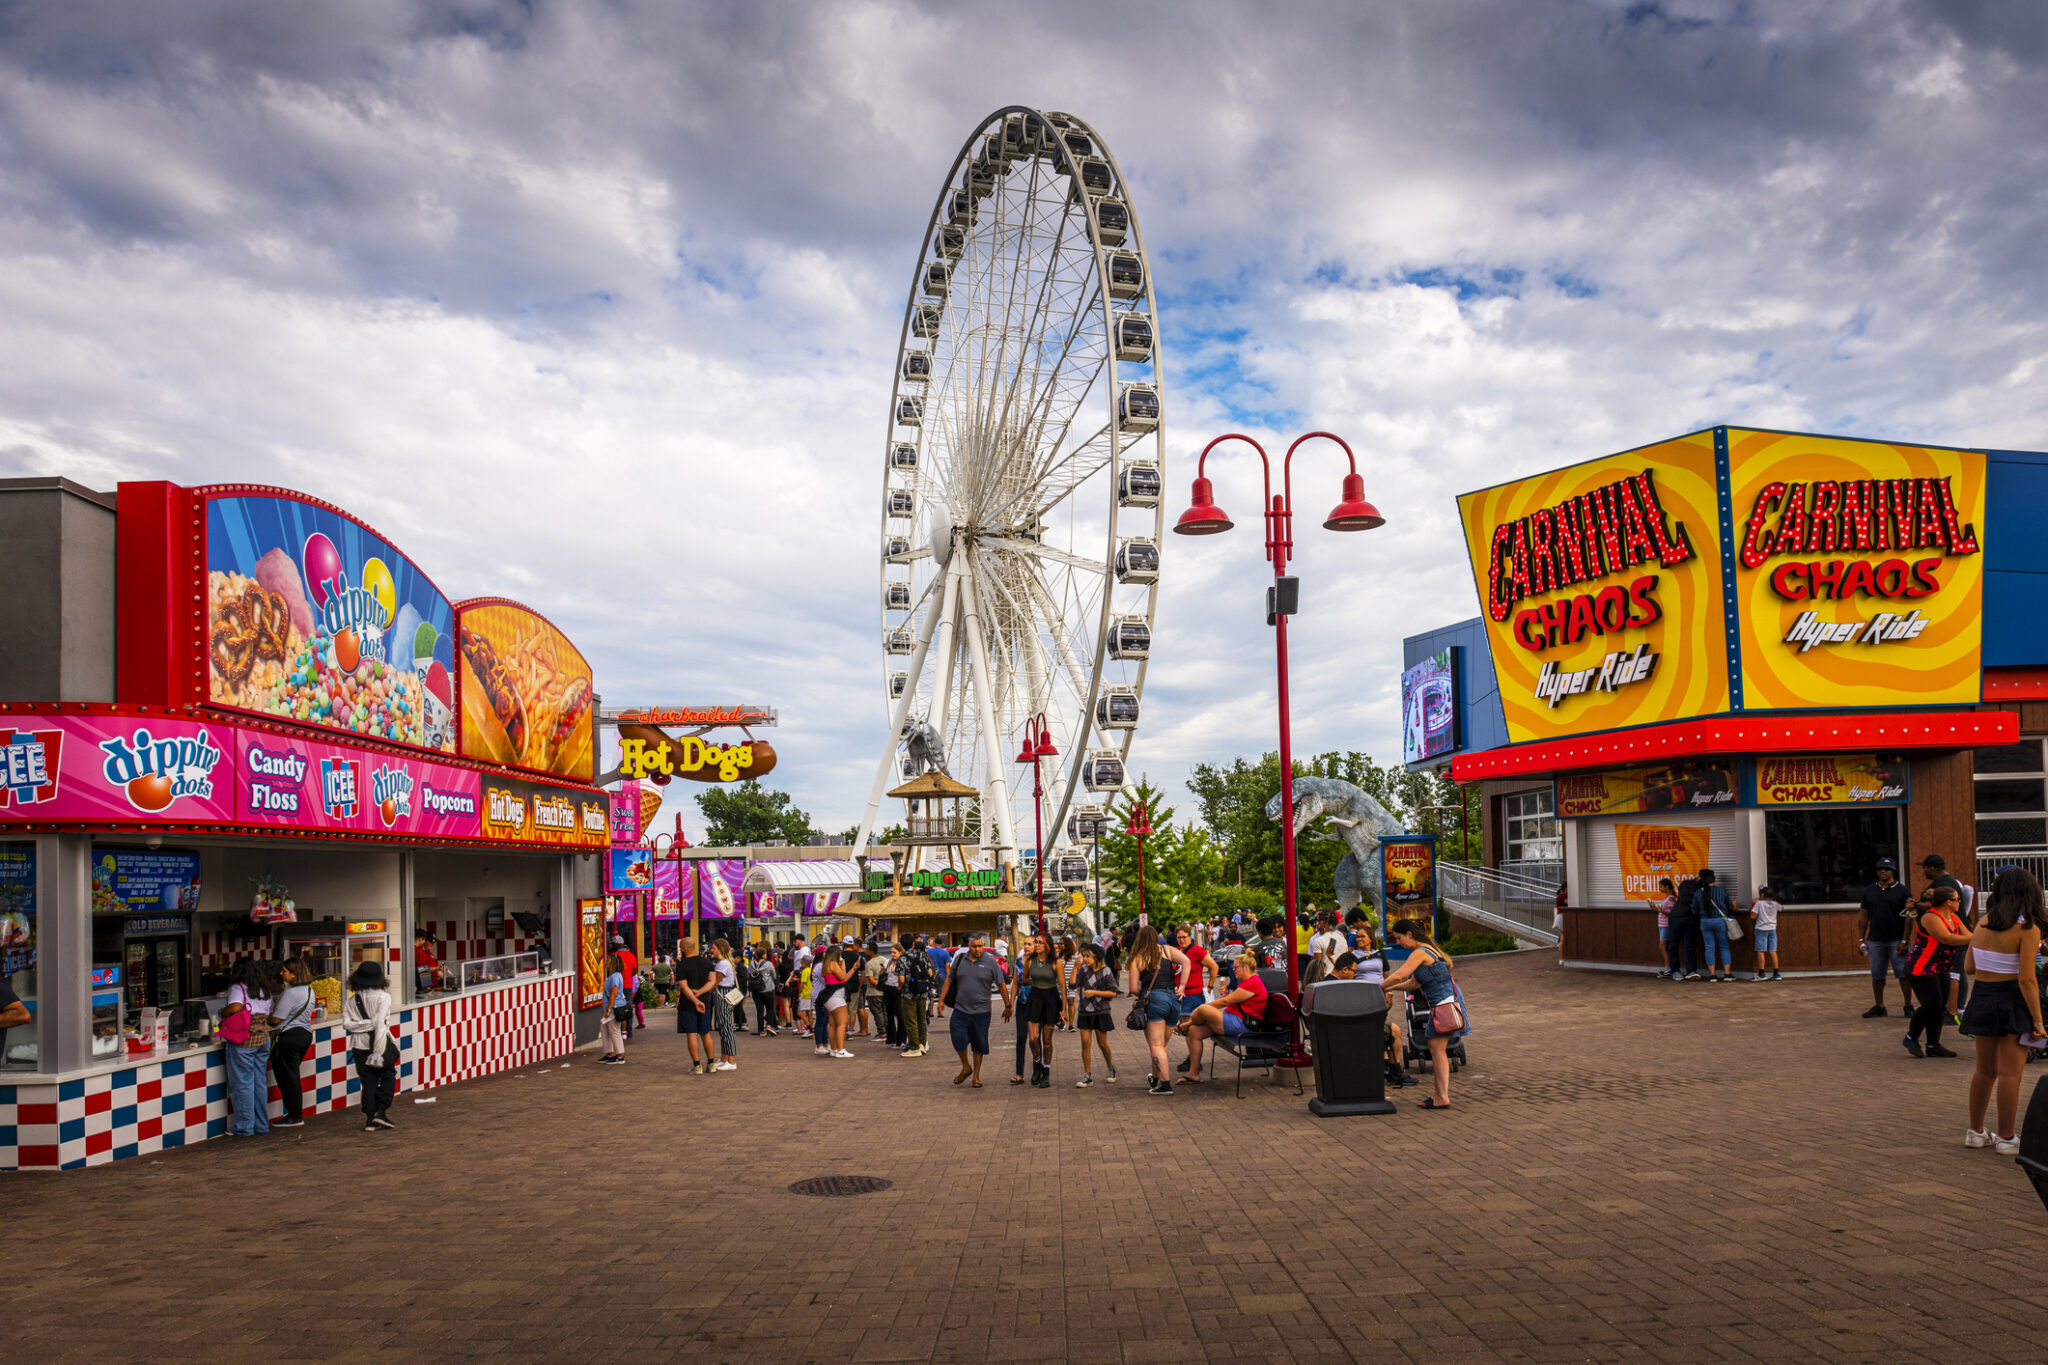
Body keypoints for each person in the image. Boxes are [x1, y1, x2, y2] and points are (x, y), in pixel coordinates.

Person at [1959, 866, 2046, 1155]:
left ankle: (1976, 1131)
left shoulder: (1983, 923)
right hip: (2012, 999)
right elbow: (2027, 979)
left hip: (1982, 996)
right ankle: (2007, 1138)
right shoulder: (2028, 928)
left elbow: (1969, 967)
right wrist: (2038, 1020)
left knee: (1984, 1070)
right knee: (2011, 1073)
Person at [1381, 918, 1466, 1109]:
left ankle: (1441, 1096)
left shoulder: (1420, 952)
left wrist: (1379, 986)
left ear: (1409, 934)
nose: (1398, 942)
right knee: (1437, 1050)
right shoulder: (1428, 949)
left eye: (1399, 937)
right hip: (1445, 1003)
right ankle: (1439, 1094)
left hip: (1442, 1004)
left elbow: (1400, 975)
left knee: (1438, 1051)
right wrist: (1388, 988)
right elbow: (1414, 983)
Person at [1181, 951, 1272, 1083]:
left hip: (1243, 1025)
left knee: (1203, 1009)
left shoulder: (1253, 983)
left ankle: (1186, 1024)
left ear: (1245, 968)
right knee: (1195, 1032)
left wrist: (1195, 1015)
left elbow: (1224, 1002)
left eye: (1236, 967)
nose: (1233, 970)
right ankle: (1193, 1073)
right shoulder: (1246, 982)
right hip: (1234, 1020)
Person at [1904, 886, 1971, 1058]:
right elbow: (1946, 938)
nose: (1959, 902)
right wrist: (1975, 938)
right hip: (1921, 967)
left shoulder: (1953, 917)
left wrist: (1975, 937)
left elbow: (1967, 935)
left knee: (1940, 1006)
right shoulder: (1931, 917)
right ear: (1948, 902)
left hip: (1941, 967)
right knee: (1932, 1003)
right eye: (1957, 899)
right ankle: (1911, 1037)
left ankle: (1933, 1044)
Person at [1125, 925, 1188, 1095]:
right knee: (1162, 1044)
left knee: (1155, 1044)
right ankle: (1156, 1077)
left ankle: (1165, 1084)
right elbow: (1186, 961)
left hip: (1155, 1001)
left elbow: (1132, 988)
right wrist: (1182, 986)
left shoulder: (1137, 958)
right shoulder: (1167, 950)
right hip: (1173, 1000)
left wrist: (1143, 989)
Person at [945, 936, 1012, 1087]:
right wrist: (941, 1001)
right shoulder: (960, 960)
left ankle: (976, 1076)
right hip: (960, 1008)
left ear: (984, 946)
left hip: (982, 1011)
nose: (978, 949)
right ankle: (966, 1066)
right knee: (958, 1037)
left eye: (980, 946)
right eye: (974, 946)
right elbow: (949, 979)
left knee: (979, 1042)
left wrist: (1008, 1006)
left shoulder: (991, 962)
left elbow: (1001, 985)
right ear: (969, 946)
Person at [221, 957, 275, 1137]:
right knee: (259, 1081)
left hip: (244, 1039)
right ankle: (261, 1124)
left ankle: (244, 1126)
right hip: (263, 1037)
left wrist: (224, 1011)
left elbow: (235, 1007)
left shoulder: (238, 988)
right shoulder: (264, 989)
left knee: (243, 1084)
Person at [341, 960, 396, 1131]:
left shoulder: (351, 1000)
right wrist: (378, 1052)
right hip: (380, 1043)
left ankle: (370, 1118)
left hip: (358, 1045)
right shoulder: (384, 997)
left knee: (368, 1080)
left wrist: (362, 1024)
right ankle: (381, 1111)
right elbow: (379, 1026)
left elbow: (347, 1025)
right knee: (388, 1075)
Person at [1009, 932, 1065, 1088]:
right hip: (1030, 1000)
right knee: (1031, 1039)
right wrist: (1010, 1003)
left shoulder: (1055, 962)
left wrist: (1064, 1009)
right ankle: (1035, 1065)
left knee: (1046, 1040)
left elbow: (1062, 986)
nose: (1035, 945)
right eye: (1035, 943)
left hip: (1050, 999)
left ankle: (1046, 1071)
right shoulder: (1026, 962)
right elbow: (1021, 980)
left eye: (1038, 942)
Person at [1857, 858, 1911, 1017]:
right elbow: (1863, 916)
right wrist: (1861, 939)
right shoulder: (1869, 891)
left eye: (1886, 869)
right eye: (1880, 868)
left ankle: (1908, 1005)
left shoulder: (1903, 891)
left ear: (1892, 871)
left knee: (1903, 974)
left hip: (1897, 940)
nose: (1883, 871)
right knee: (1877, 975)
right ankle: (1879, 1006)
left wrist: (1904, 940)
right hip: (1875, 940)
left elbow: (1910, 916)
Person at [268, 954, 317, 1128]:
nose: (281, 973)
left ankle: (295, 1115)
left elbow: (276, 1019)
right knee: (292, 1075)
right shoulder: (310, 990)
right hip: (304, 1034)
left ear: (294, 974)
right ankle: (295, 1113)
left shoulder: (290, 992)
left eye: (285, 971)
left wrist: (262, 1020)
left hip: (288, 1037)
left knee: (288, 1078)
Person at [1072, 942, 1118, 1086]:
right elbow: (1073, 985)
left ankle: (1110, 1067)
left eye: (1088, 956)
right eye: (1084, 956)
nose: (1085, 959)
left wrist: (1094, 993)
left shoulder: (1106, 971)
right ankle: (1087, 1075)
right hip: (1085, 1010)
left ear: (1096, 957)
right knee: (1085, 1043)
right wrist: (1075, 967)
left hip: (1101, 1011)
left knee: (1102, 1043)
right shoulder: (1083, 970)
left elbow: (1113, 992)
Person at [674, 937, 716, 1073]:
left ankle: (697, 1066)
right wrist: (700, 993)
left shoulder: (681, 965)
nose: (680, 949)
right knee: (705, 1033)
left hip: (688, 1004)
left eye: (681, 947)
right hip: (706, 1001)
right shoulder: (707, 962)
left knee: (691, 1034)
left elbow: (684, 987)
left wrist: (694, 1000)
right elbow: (712, 982)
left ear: (685, 948)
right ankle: (711, 1064)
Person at [1694, 869, 1737, 982]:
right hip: (1719, 921)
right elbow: (1730, 908)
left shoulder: (1698, 892)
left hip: (1704, 921)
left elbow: (1694, 910)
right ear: (1714, 880)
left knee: (1709, 947)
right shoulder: (1721, 890)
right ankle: (1727, 974)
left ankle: (1712, 975)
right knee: (1724, 946)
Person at [707, 939, 740, 1071]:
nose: (711, 950)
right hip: (727, 993)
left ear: (720, 949)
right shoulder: (725, 963)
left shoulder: (722, 964)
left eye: (714, 948)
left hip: (722, 993)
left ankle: (731, 1060)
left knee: (726, 1027)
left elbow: (715, 982)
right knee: (723, 1027)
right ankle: (724, 1058)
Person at [1173, 923, 1217, 1021]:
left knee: (1188, 1027)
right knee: (1183, 1026)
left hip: (1193, 995)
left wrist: (1210, 986)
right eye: (1179, 938)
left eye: (1184, 937)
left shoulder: (1197, 950)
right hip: (1178, 995)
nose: (1181, 940)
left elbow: (1214, 966)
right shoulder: (1176, 951)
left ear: (1190, 936)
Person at [897, 936, 932, 1056]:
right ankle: (922, 1045)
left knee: (911, 1021)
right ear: (913, 943)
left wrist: (901, 986)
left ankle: (914, 1047)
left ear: (901, 945)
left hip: (908, 994)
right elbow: (930, 973)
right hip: (923, 992)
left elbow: (901, 979)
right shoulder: (922, 955)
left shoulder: (902, 959)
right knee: (921, 1019)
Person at [820, 947, 855, 1058]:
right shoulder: (834, 964)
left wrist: (853, 969)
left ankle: (834, 1049)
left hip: (829, 997)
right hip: (837, 997)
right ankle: (840, 1050)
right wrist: (843, 965)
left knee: (833, 1024)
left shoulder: (826, 964)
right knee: (842, 1023)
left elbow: (842, 979)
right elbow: (843, 976)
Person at [1668, 873, 1702, 981]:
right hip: (1677, 918)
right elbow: (1684, 899)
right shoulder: (1685, 884)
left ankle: (1691, 971)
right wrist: (1694, 903)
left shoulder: (1703, 888)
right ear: (1699, 877)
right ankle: (1675, 970)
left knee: (1690, 946)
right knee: (1673, 945)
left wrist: (1694, 903)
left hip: (1691, 920)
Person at [1750, 885, 1784, 981]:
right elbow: (1781, 908)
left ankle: (1761, 974)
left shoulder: (1759, 904)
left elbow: (1753, 916)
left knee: (1761, 951)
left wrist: (1751, 907)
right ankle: (1776, 973)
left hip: (1761, 929)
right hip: (1772, 929)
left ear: (1763, 894)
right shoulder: (1775, 903)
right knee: (1773, 951)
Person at [600, 953, 628, 1064]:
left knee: (614, 1031)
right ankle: (610, 1053)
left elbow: (614, 993)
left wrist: (608, 1009)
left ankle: (619, 1055)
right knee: (605, 1030)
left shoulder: (614, 977)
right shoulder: (614, 976)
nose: (605, 963)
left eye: (607, 961)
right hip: (611, 1008)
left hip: (613, 1009)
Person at [610, 937, 641, 1035]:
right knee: (628, 1007)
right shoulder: (631, 955)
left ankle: (619, 1031)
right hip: (628, 985)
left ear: (615, 945)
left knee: (616, 1007)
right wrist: (627, 976)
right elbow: (635, 971)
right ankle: (628, 1030)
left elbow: (610, 971)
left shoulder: (614, 956)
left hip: (616, 985)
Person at [750, 948, 780, 1037]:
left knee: (759, 1010)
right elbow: (774, 976)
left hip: (755, 989)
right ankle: (769, 1026)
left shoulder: (752, 964)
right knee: (770, 1008)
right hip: (767, 988)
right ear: (763, 955)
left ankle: (761, 1031)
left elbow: (749, 974)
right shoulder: (768, 964)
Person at [1654, 878, 1680, 979]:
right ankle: (1668, 968)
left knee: (1662, 947)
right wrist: (1656, 909)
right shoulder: (1667, 898)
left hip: (1666, 925)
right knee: (1663, 947)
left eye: (1661, 886)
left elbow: (1670, 913)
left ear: (1667, 887)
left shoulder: (1670, 898)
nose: (1659, 888)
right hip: (1661, 924)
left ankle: (1668, 968)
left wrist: (1661, 911)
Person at [925, 937, 952, 1019]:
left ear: (934, 943)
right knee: (941, 994)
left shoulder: (928, 952)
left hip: (931, 975)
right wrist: (949, 978)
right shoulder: (945, 953)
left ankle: (931, 1013)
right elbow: (947, 966)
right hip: (942, 976)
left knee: (932, 994)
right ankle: (940, 1013)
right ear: (941, 944)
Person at [412, 926, 444, 994]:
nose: (432, 945)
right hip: (423, 988)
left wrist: (446, 979)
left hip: (431, 987)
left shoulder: (430, 955)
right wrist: (427, 988)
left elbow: (437, 972)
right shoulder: (418, 951)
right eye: (430, 942)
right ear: (422, 940)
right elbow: (422, 970)